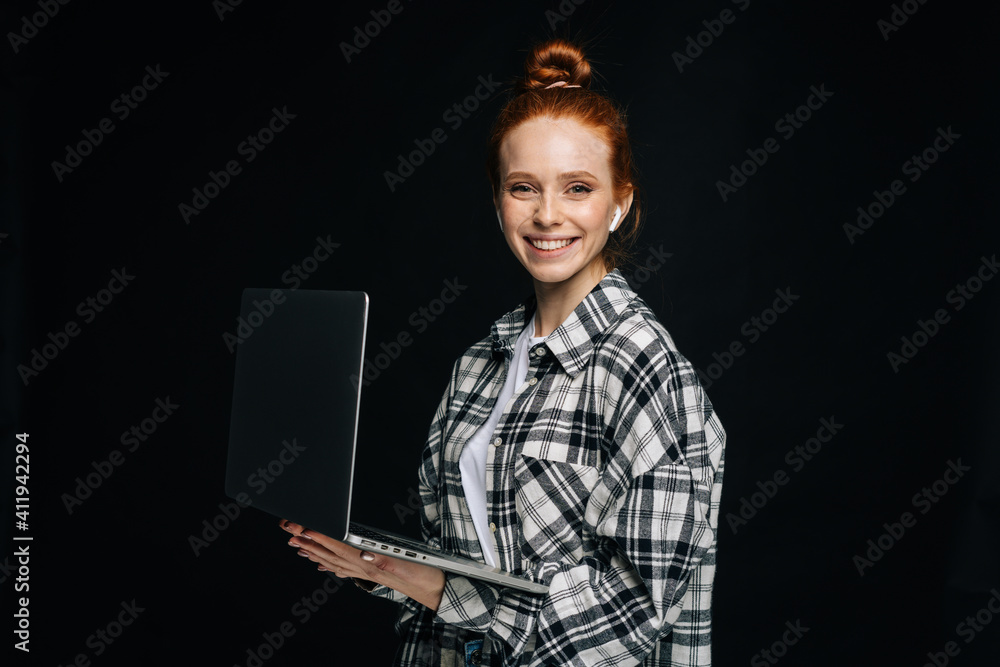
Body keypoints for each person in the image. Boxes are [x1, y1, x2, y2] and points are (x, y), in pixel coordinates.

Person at [281, 38, 726, 667]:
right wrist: (381, 567)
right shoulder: (479, 364)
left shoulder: (644, 370)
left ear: (619, 203)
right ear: (497, 203)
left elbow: (638, 615)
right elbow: (465, 565)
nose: (548, 215)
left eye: (577, 188)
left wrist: (440, 591)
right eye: (524, 188)